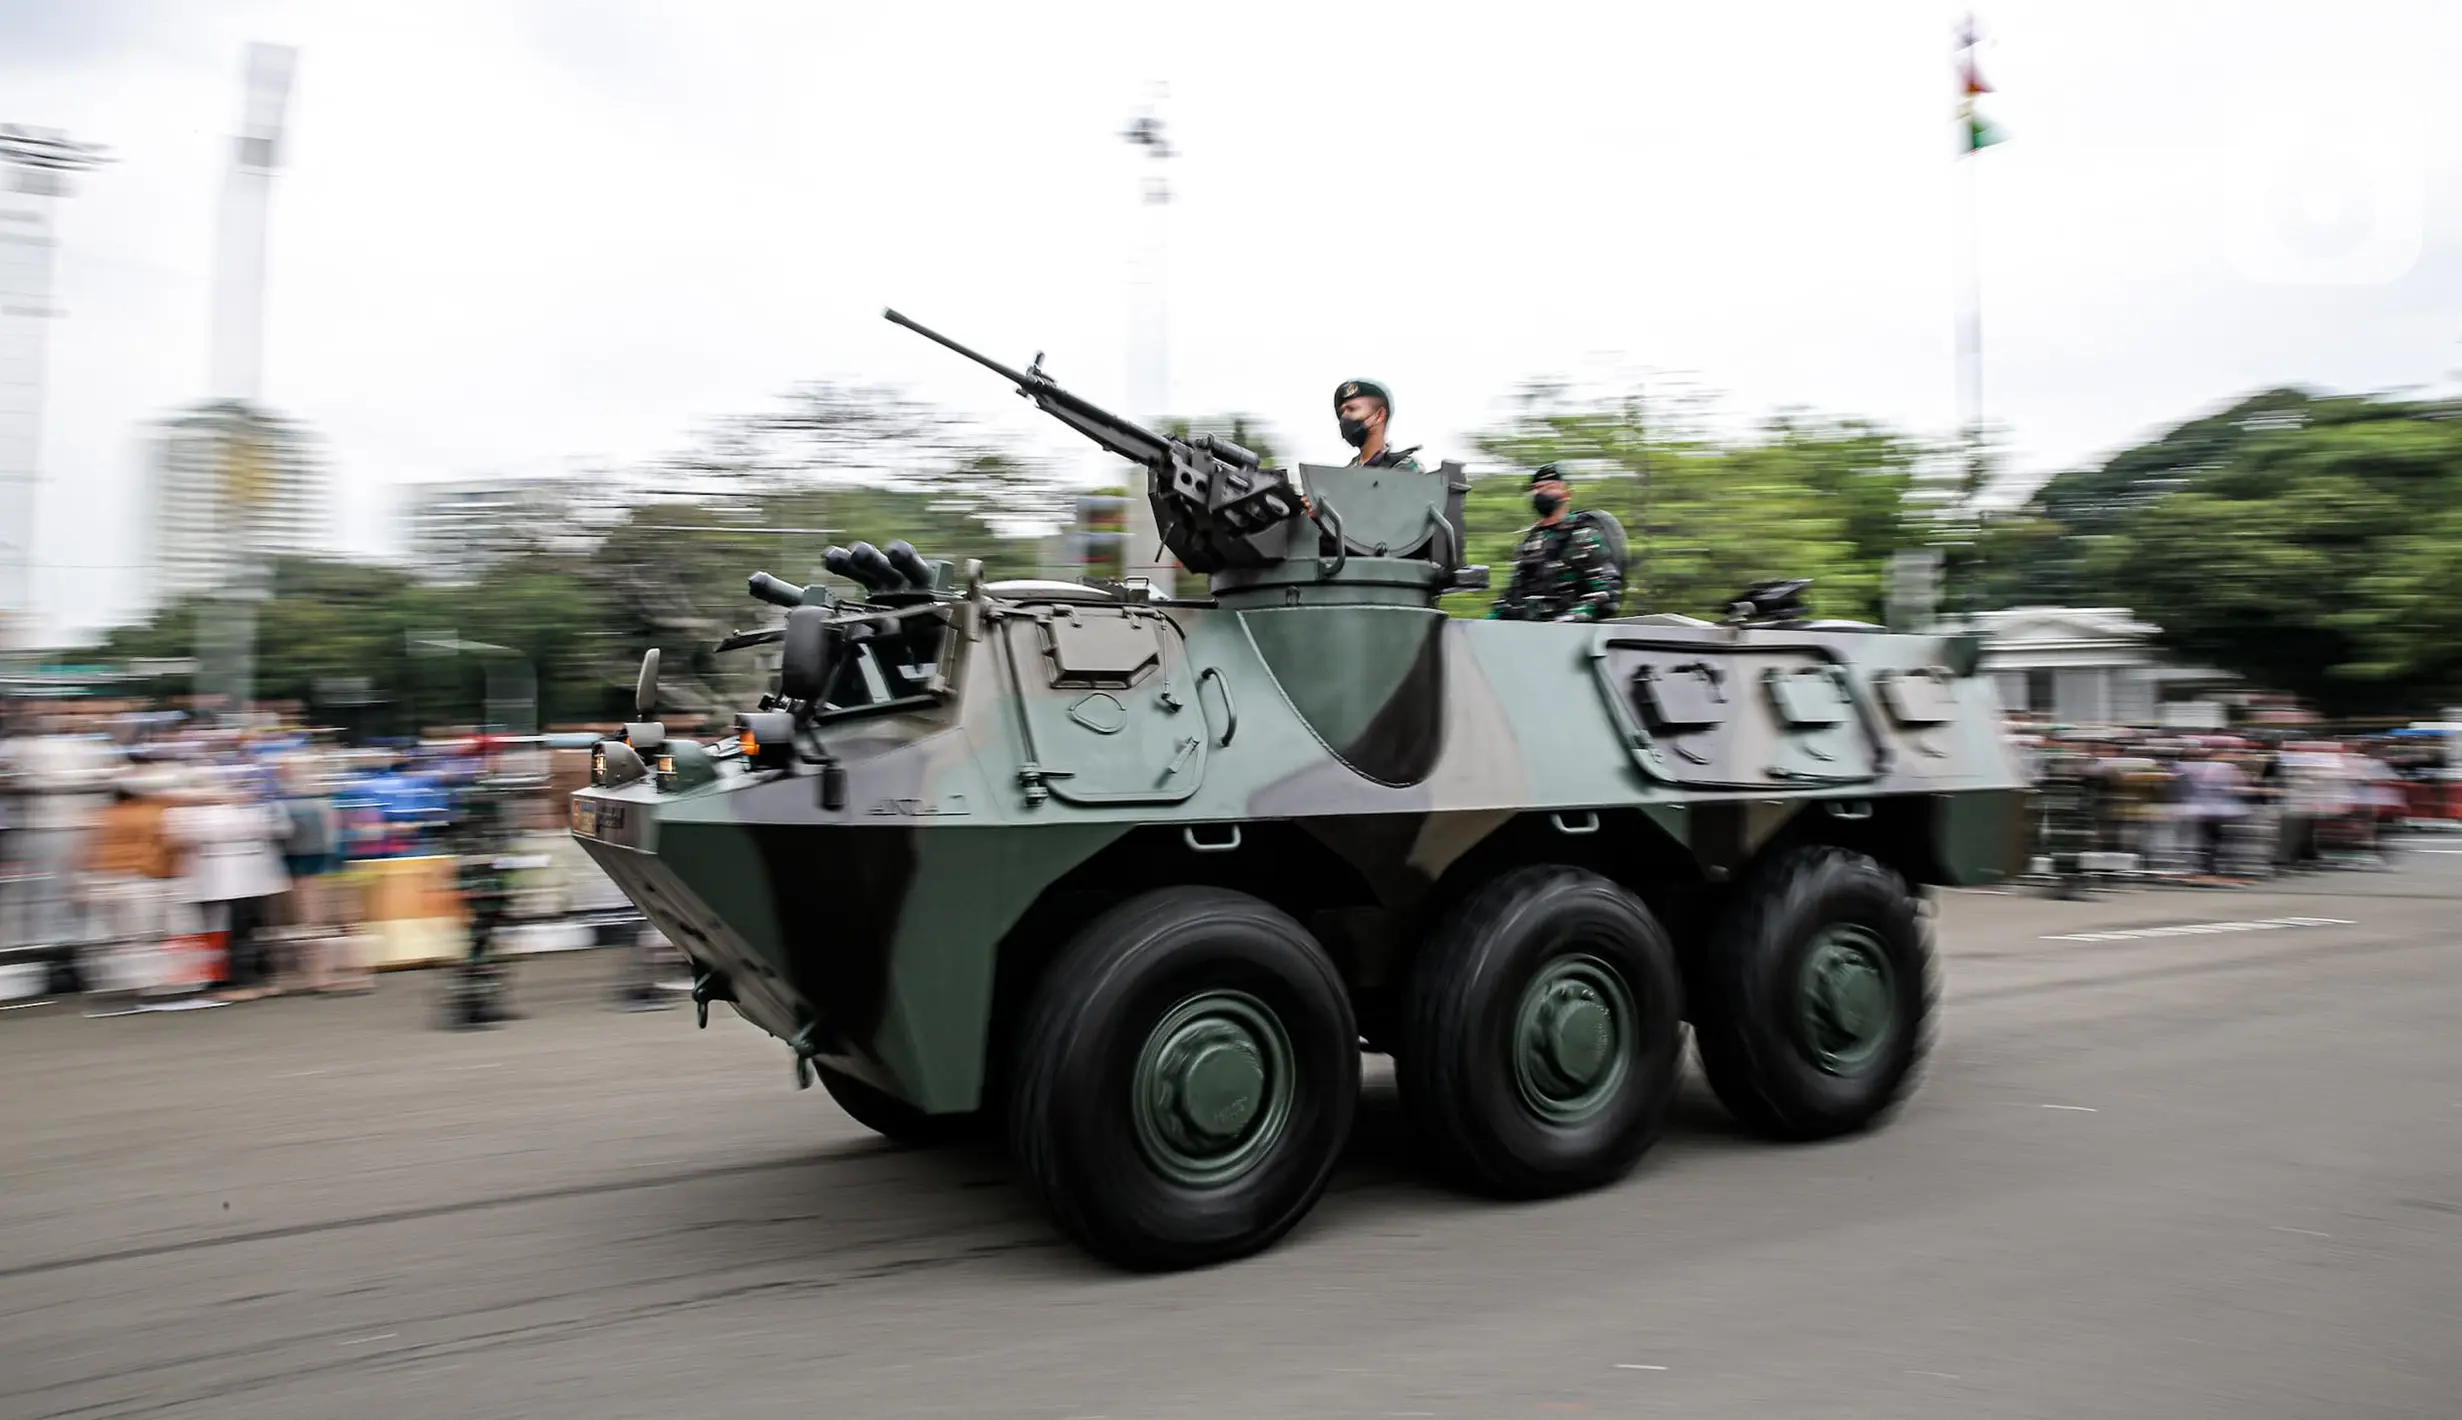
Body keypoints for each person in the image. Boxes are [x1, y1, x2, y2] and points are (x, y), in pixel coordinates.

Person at [1488, 464, 1625, 622]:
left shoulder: (1583, 536)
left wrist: (1567, 621)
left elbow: (1604, 595)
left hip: (1569, 633)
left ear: (1566, 494)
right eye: (1537, 488)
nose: (1541, 492)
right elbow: (1512, 594)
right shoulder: (1530, 541)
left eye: (1550, 487)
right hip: (1527, 630)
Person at [1332, 380, 1422, 472]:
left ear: (1379, 415)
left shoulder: (1405, 469)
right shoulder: (1345, 474)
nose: (1344, 416)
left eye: (1352, 409)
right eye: (1341, 412)